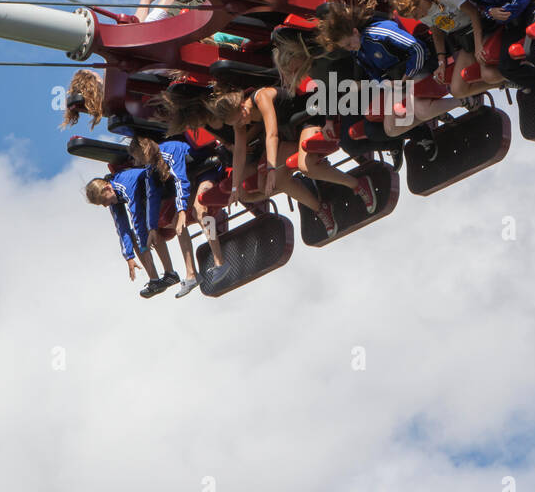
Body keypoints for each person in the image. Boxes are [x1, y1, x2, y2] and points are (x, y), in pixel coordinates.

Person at [315, 0, 473, 139]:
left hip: (419, 67)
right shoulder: (358, 52)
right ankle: (434, 112)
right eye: (345, 47)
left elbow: (417, 49)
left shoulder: (379, 32)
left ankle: (464, 101)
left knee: (422, 110)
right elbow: (374, 74)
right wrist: (385, 83)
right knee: (391, 128)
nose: (349, 48)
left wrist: (409, 74)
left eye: (349, 43)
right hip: (399, 81)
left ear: (355, 32)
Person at [209, 85, 341, 236]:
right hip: (290, 132)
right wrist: (234, 187)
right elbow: (239, 151)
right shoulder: (239, 121)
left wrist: (272, 169)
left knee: (299, 168)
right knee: (270, 183)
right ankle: (320, 208)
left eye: (239, 120)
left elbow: (272, 135)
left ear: (242, 107)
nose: (240, 125)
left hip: (306, 117)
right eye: (235, 124)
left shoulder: (261, 97)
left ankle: (349, 183)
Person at [271, 30, 377, 215]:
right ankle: (356, 185)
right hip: (339, 99)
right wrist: (329, 119)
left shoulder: (323, 55)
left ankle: (392, 141)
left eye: (291, 67)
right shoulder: (312, 68)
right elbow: (327, 87)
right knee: (322, 157)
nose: (292, 72)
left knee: (353, 135)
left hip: (362, 85)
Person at [129, 136, 226, 297]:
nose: (135, 162)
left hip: (208, 171)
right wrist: (152, 228)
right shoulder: (151, 169)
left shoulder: (169, 150)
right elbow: (152, 196)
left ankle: (220, 262)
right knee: (176, 223)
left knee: (199, 210)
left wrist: (181, 211)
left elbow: (181, 180)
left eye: (135, 157)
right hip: (194, 179)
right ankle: (191, 275)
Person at [390, 0, 500, 98]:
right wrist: (441, 63)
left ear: (418, 3)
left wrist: (478, 46)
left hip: (483, 29)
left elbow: (474, 13)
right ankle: (504, 82)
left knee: (489, 75)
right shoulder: (424, 14)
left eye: (416, 14)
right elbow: (437, 34)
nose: (417, 19)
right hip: (466, 40)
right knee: (457, 90)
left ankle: (510, 76)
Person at [84, 171, 180, 297]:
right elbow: (122, 227)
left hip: (163, 191)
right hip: (149, 202)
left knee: (146, 230)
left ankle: (170, 273)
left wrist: (145, 243)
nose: (105, 205)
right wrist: (129, 256)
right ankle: (155, 280)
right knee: (137, 235)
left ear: (107, 188)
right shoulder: (113, 195)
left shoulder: (123, 185)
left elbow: (137, 216)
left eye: (103, 201)